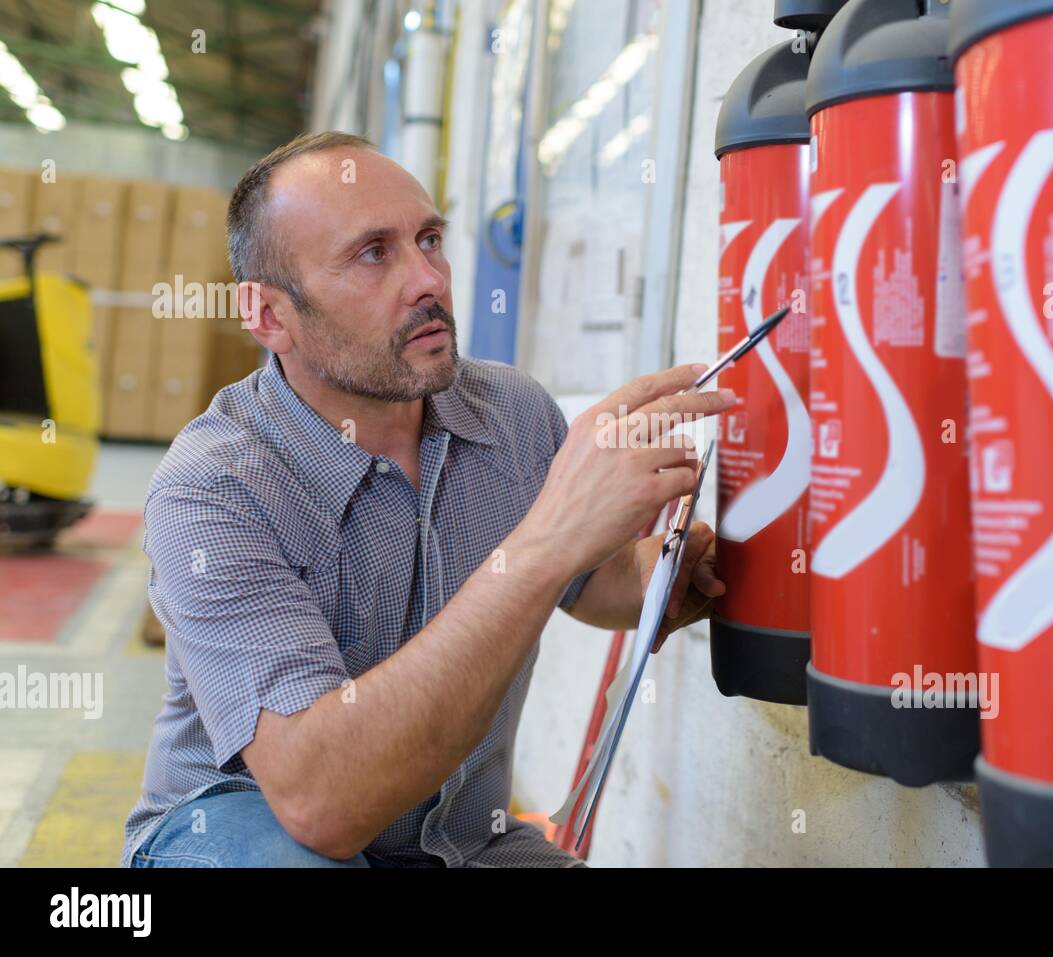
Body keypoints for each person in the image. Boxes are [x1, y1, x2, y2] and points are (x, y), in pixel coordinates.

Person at [121, 131, 735, 868]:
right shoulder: (214, 488)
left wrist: (664, 575)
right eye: (374, 253)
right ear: (269, 314)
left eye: (430, 239)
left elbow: (589, 584)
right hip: (250, 834)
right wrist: (545, 541)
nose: (428, 279)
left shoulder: (513, 414)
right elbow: (322, 801)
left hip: (462, 842)